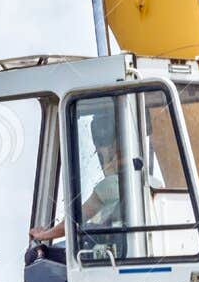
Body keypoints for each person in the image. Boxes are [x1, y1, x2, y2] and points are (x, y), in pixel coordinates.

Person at [27, 113, 125, 265]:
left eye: (102, 151)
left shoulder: (110, 185)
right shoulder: (152, 183)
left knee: (37, 256)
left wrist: (44, 235)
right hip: (115, 252)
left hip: (110, 255)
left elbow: (75, 221)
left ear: (114, 150)